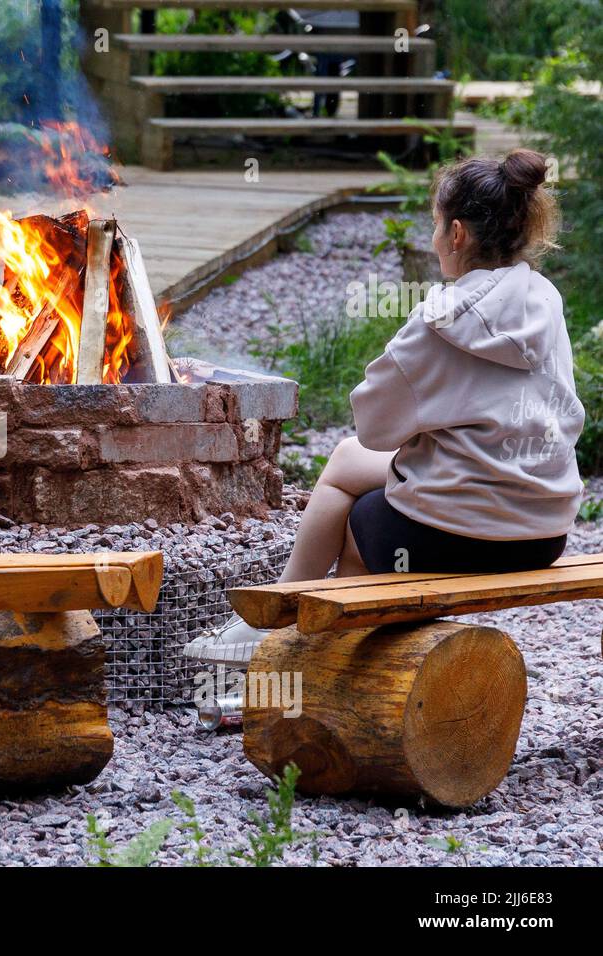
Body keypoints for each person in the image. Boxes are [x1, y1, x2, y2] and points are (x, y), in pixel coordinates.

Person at [187, 148, 583, 665]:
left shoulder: (440, 319)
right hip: (543, 529)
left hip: (468, 533)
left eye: (437, 225)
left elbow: (374, 426)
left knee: (360, 524)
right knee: (348, 461)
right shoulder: (545, 300)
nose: (434, 236)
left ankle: (289, 648)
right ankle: (279, 634)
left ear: (458, 234)